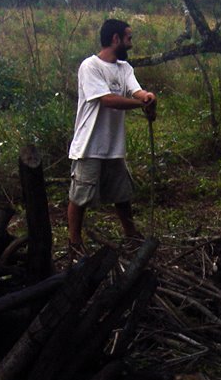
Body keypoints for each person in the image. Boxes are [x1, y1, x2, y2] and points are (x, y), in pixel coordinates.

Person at [66, 18, 157, 258]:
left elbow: (135, 89)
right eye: (128, 38)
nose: (131, 43)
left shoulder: (125, 69)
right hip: (89, 145)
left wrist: (146, 96)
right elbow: (106, 100)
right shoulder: (90, 66)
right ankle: (74, 243)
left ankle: (131, 236)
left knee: (122, 194)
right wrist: (140, 104)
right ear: (115, 39)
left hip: (114, 147)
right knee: (80, 196)